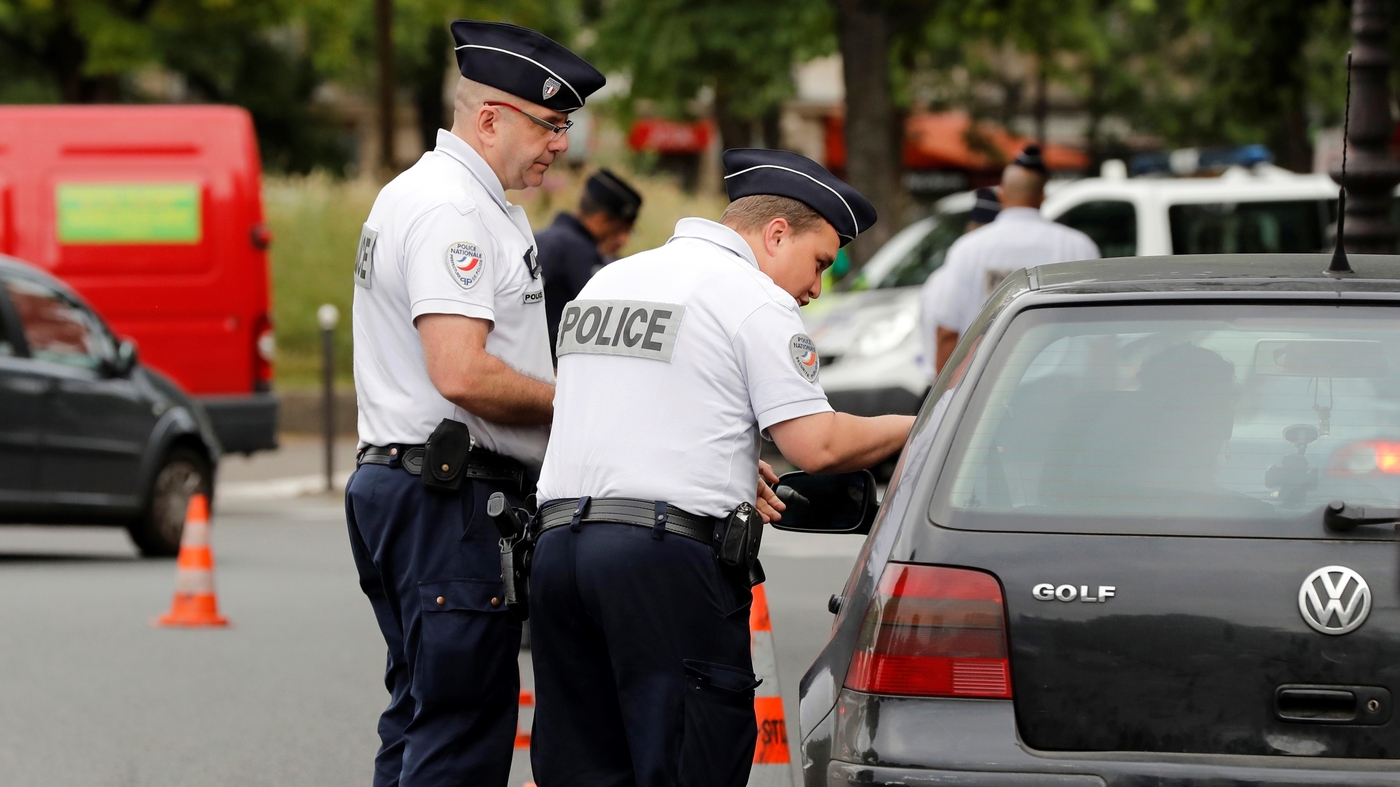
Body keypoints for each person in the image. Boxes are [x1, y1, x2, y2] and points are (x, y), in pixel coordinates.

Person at [528, 148, 916, 787]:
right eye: (820, 262)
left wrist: (729, 466)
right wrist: (924, 424)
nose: (816, 287)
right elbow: (814, 446)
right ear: (775, 233)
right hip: (663, 570)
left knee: (584, 769)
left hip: (559, 556)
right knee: (691, 764)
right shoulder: (752, 297)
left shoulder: (614, 279)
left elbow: (619, 412)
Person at [343, 19, 604, 787]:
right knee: (461, 732)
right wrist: (577, 405)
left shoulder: (441, 194)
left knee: (424, 713)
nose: (560, 144)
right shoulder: (453, 207)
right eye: (551, 124)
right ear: (491, 117)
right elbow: (460, 370)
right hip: (448, 499)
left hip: (416, 488)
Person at [925, 145, 1100, 374]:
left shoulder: (968, 249)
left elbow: (948, 332)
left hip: (987, 391)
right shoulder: (1078, 247)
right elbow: (1097, 331)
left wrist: (944, 400)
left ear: (1001, 195)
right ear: (1042, 197)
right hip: (1063, 388)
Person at [538, 169, 643, 358]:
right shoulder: (580, 253)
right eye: (621, 230)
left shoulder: (537, 238)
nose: (623, 241)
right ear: (600, 220)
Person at [918, 187, 1001, 381]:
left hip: (946, 384)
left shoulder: (939, 277)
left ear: (970, 228)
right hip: (967, 388)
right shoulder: (951, 274)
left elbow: (942, 335)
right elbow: (946, 334)